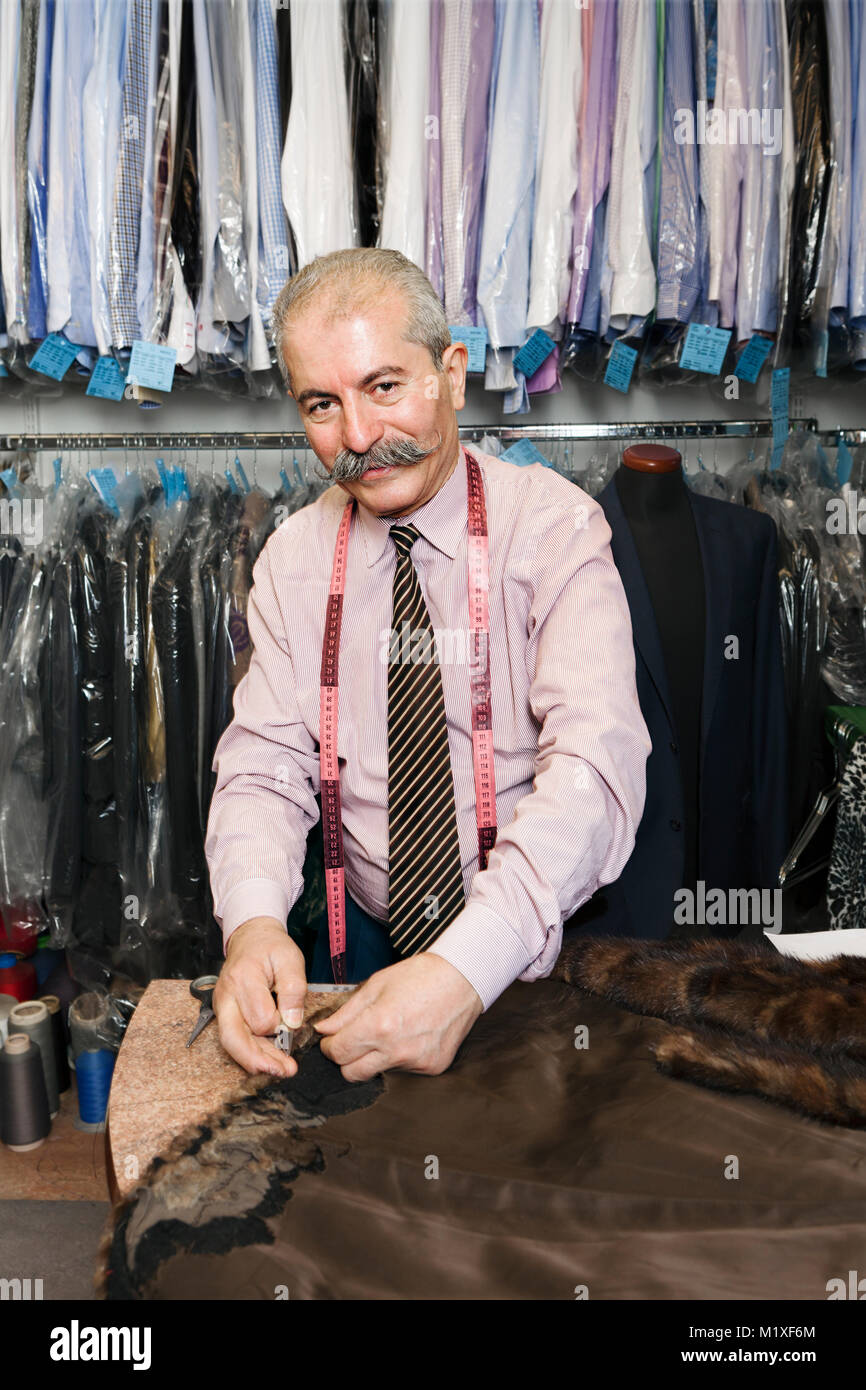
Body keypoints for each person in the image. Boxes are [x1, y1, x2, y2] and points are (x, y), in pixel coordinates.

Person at [205, 247, 650, 1083]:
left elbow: (596, 764)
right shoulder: (292, 559)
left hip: (535, 933)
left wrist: (467, 965)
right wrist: (255, 924)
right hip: (363, 930)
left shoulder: (553, 530)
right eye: (321, 404)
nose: (360, 437)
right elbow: (265, 768)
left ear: (450, 371)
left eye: (383, 387)